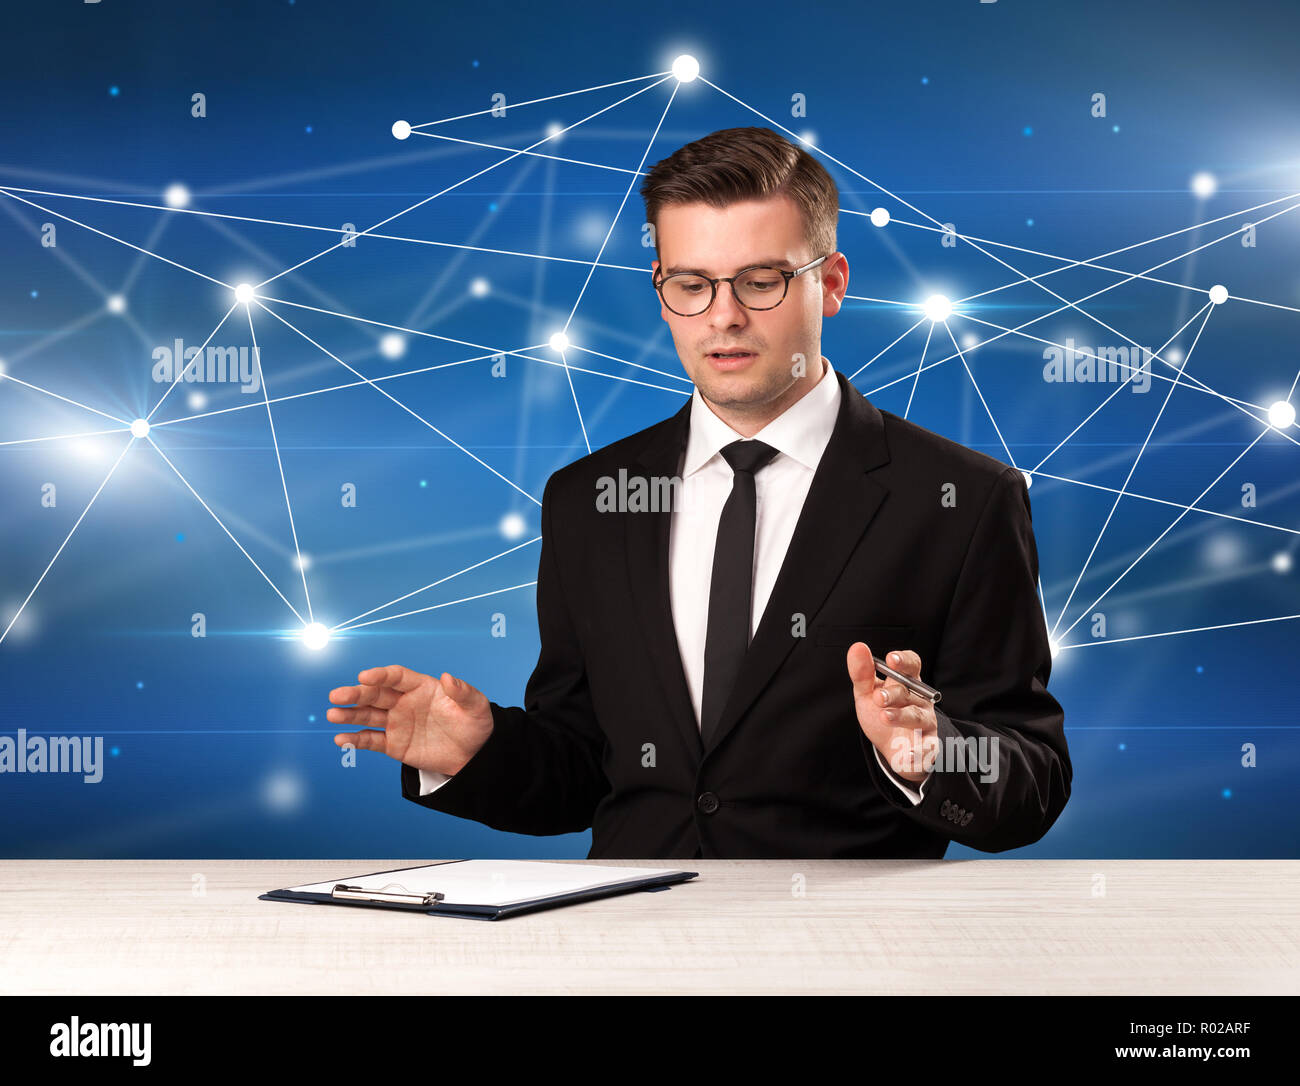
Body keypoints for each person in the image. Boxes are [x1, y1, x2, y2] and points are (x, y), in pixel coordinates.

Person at [328, 125, 1071, 859]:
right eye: (692, 284)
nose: (724, 316)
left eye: (760, 281)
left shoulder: (963, 501)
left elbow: (1033, 781)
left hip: (842, 957)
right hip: (629, 952)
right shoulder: (589, 499)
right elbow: (589, 771)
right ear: (662, 291)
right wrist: (481, 751)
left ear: (832, 283)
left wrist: (931, 753)